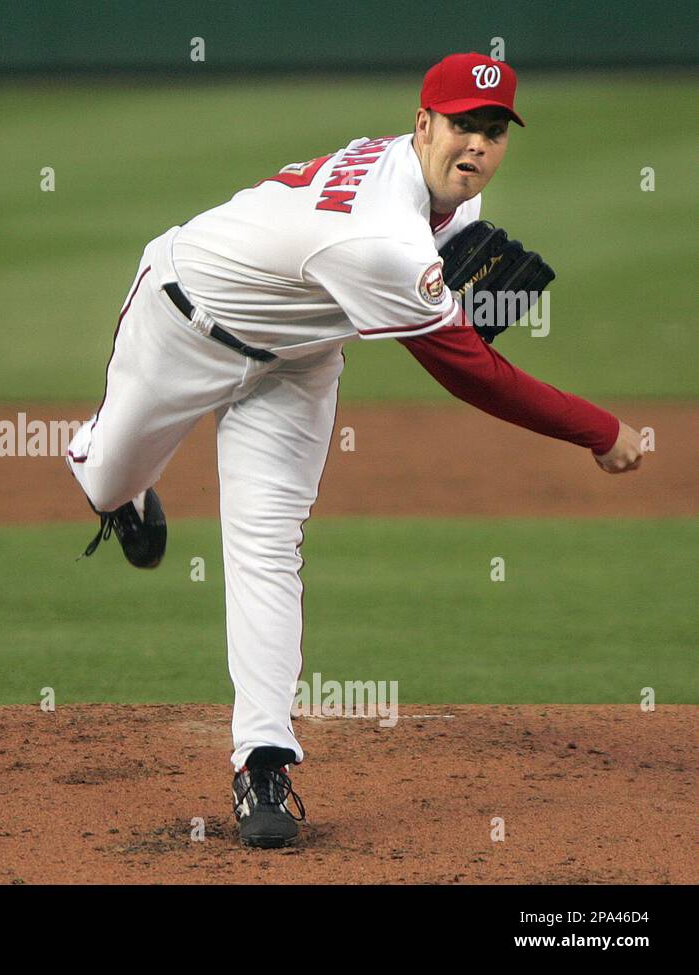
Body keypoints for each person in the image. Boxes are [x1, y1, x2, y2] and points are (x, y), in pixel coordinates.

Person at [64, 52, 643, 848]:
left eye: (494, 130)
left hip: (296, 361)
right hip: (183, 322)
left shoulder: (440, 203)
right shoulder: (383, 237)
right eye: (462, 126)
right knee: (107, 477)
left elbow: (443, 290)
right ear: (423, 124)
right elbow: (472, 374)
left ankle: (261, 761)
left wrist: (449, 300)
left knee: (268, 545)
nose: (477, 146)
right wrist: (599, 430)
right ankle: (106, 470)